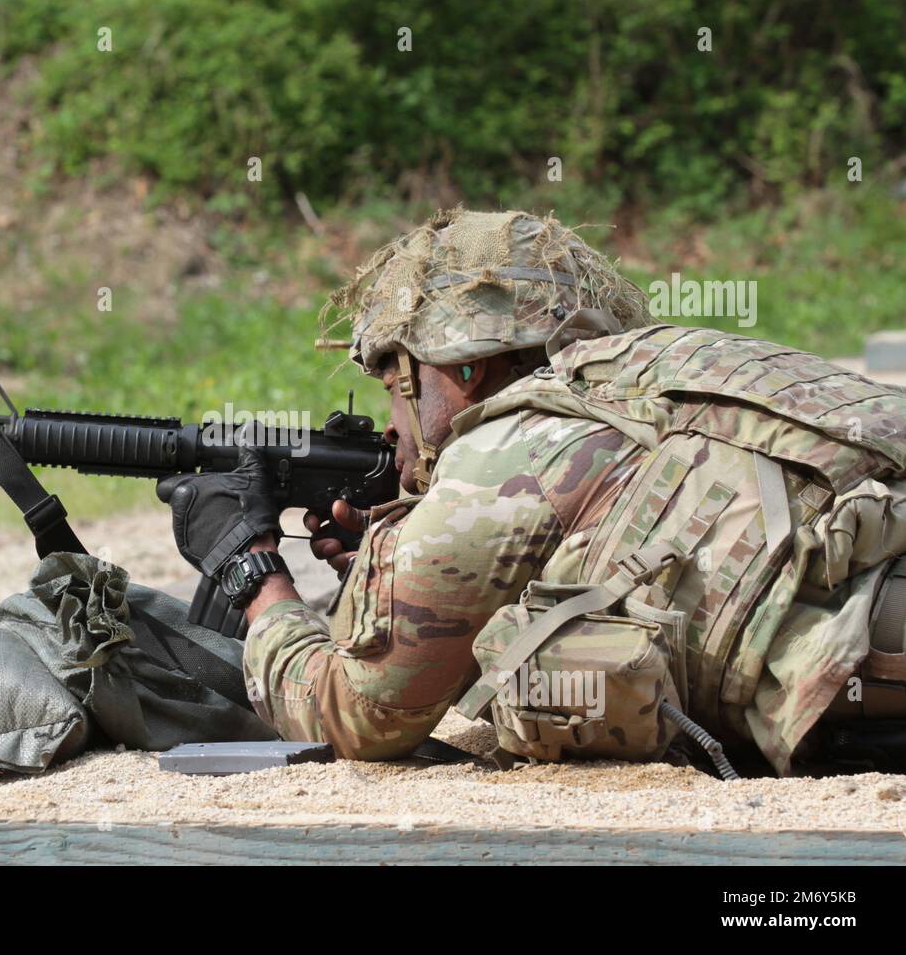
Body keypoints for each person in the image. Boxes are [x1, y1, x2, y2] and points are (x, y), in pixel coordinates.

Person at [156, 208, 906, 777]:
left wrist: (255, 573)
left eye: (394, 380)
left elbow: (354, 720)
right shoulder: (678, 362)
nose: (392, 424)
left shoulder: (502, 456)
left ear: (461, 368)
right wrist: (405, 570)